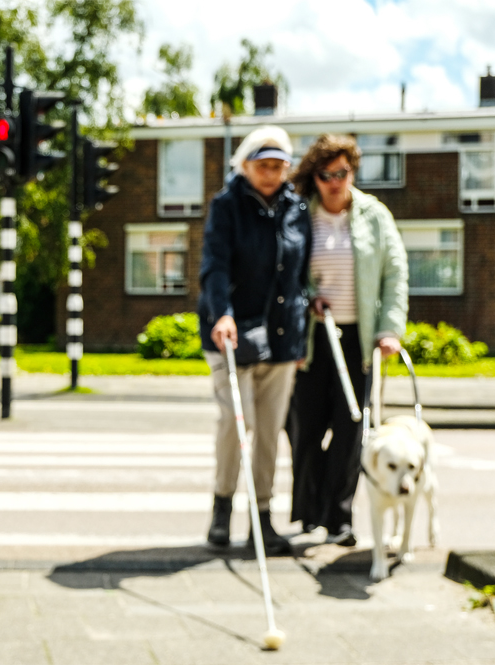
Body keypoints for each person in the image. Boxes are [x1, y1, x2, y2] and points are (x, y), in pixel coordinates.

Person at [287, 134, 409, 546]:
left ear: (352, 171)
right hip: (312, 340)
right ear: (315, 177)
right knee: (305, 430)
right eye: (326, 175)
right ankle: (308, 513)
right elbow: (288, 272)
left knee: (350, 430)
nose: (335, 182)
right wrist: (307, 299)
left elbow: (395, 272)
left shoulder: (374, 214)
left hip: (358, 342)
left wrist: (389, 328)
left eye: (342, 173)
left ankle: (338, 518)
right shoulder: (301, 215)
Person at [197, 126, 312, 554]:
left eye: (279, 166)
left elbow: (298, 275)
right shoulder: (226, 207)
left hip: (282, 341)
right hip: (232, 336)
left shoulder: (296, 208)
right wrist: (222, 313)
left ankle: (262, 519)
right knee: (234, 423)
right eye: (263, 165)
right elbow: (215, 266)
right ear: (245, 166)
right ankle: (222, 508)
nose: (271, 173)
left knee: (268, 432)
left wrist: (306, 316)